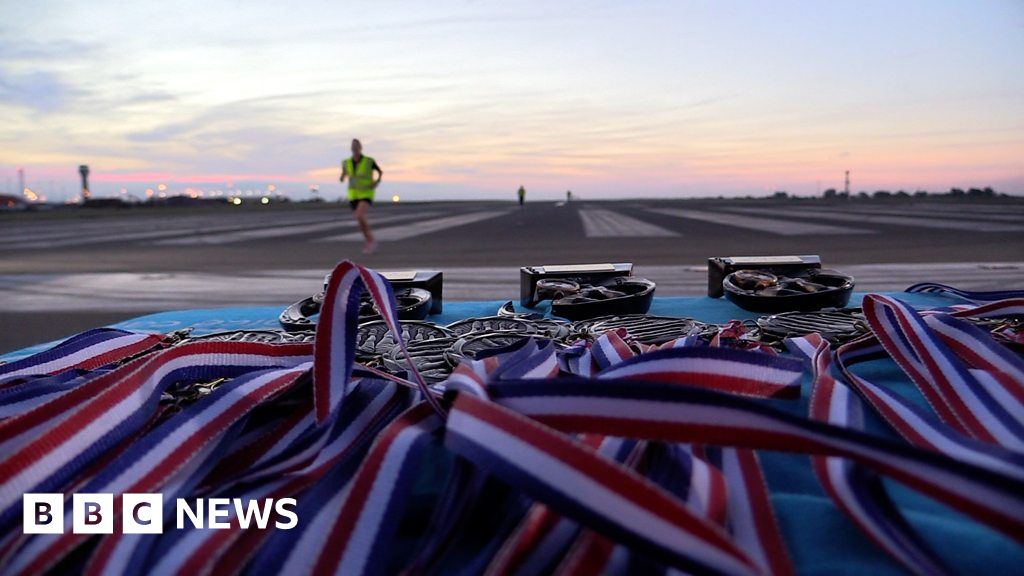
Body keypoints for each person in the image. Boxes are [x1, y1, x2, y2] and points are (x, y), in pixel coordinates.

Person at [340, 139, 382, 253]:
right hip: (353, 195)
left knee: (359, 215)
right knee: (360, 220)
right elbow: (344, 173)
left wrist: (376, 181)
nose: (355, 148)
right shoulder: (346, 162)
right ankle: (369, 240)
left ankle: (370, 240)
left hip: (366, 193)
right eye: (353, 146)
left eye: (357, 146)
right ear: (351, 148)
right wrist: (342, 176)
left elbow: (379, 172)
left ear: (360, 148)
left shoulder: (369, 161)